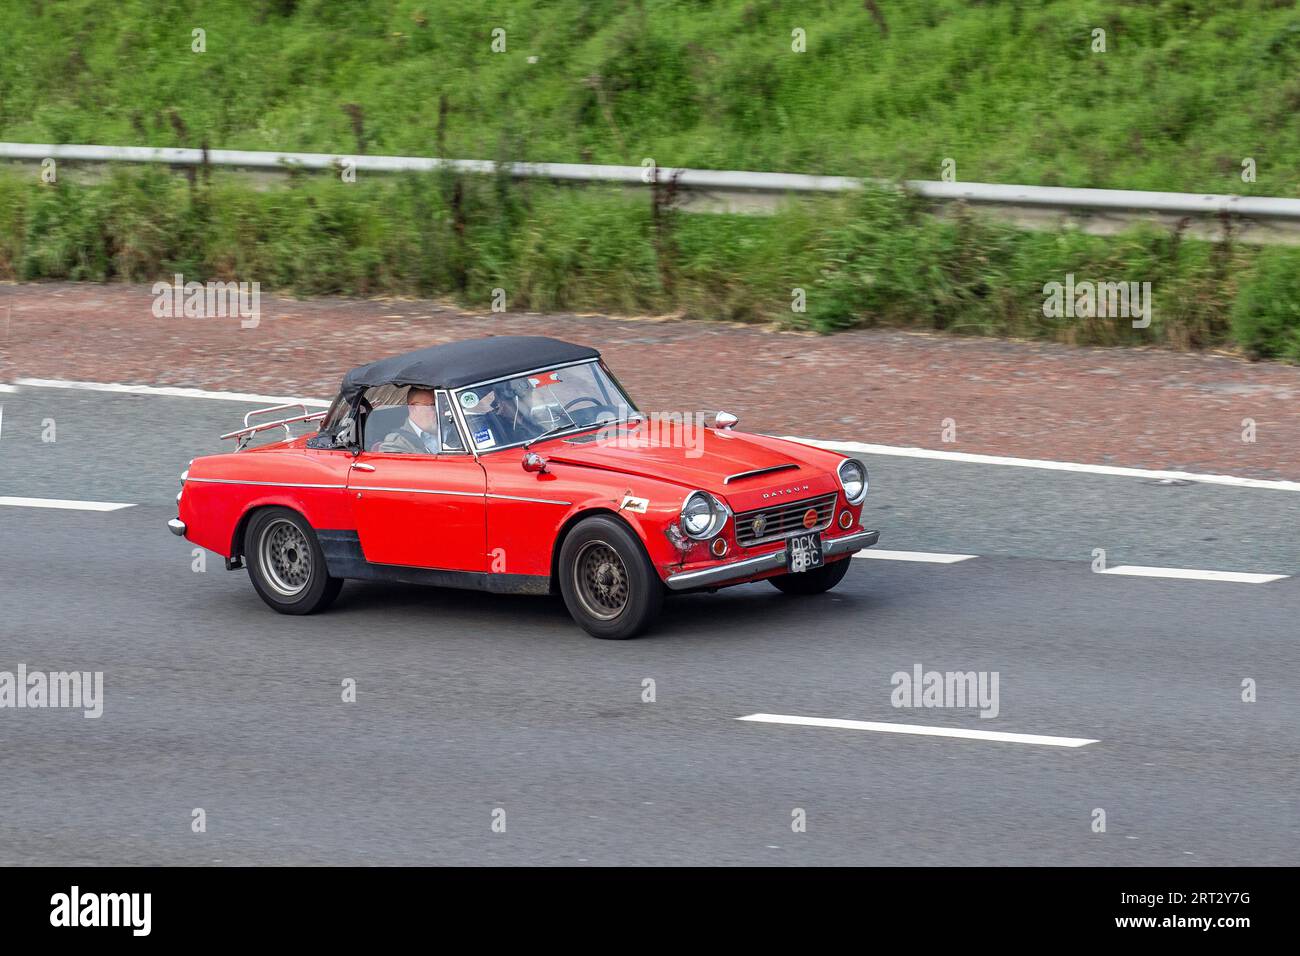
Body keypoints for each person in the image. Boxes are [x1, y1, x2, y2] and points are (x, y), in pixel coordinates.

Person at [377, 388, 445, 454]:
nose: (441, 412)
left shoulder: (447, 431)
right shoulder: (396, 443)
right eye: (433, 406)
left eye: (443, 406)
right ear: (413, 408)